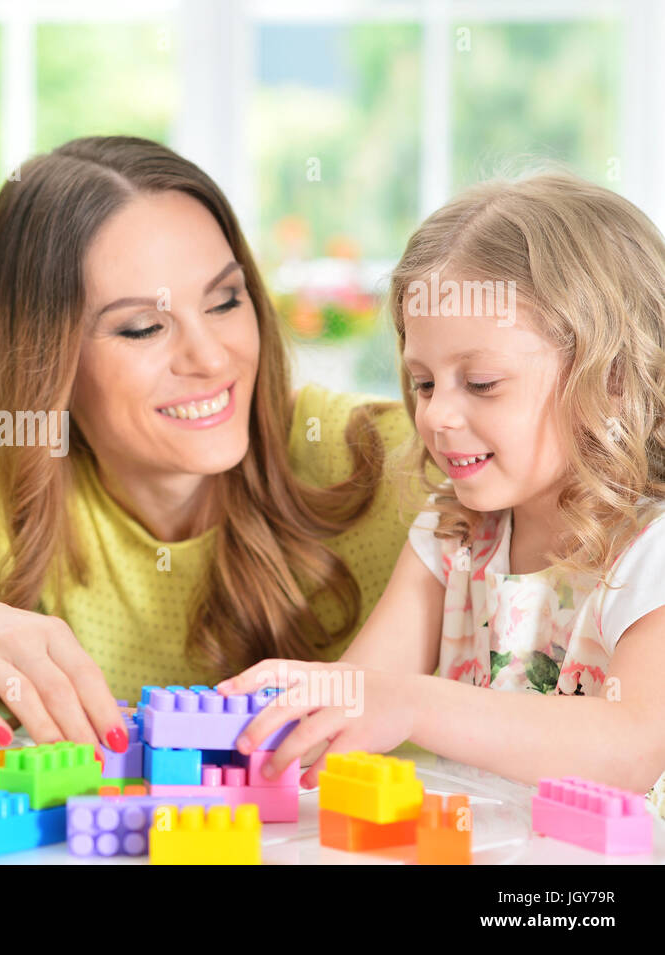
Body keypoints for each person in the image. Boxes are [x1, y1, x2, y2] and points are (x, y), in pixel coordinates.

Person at [0, 136, 427, 752]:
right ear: (51, 362)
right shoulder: (12, 497)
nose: (211, 357)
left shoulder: (391, 457)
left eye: (225, 300)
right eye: (143, 327)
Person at [226, 172, 665, 802]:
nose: (434, 415)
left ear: (614, 376)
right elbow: (361, 692)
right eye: (425, 383)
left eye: (481, 382)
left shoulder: (651, 549)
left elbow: (630, 750)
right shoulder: (455, 533)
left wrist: (413, 705)